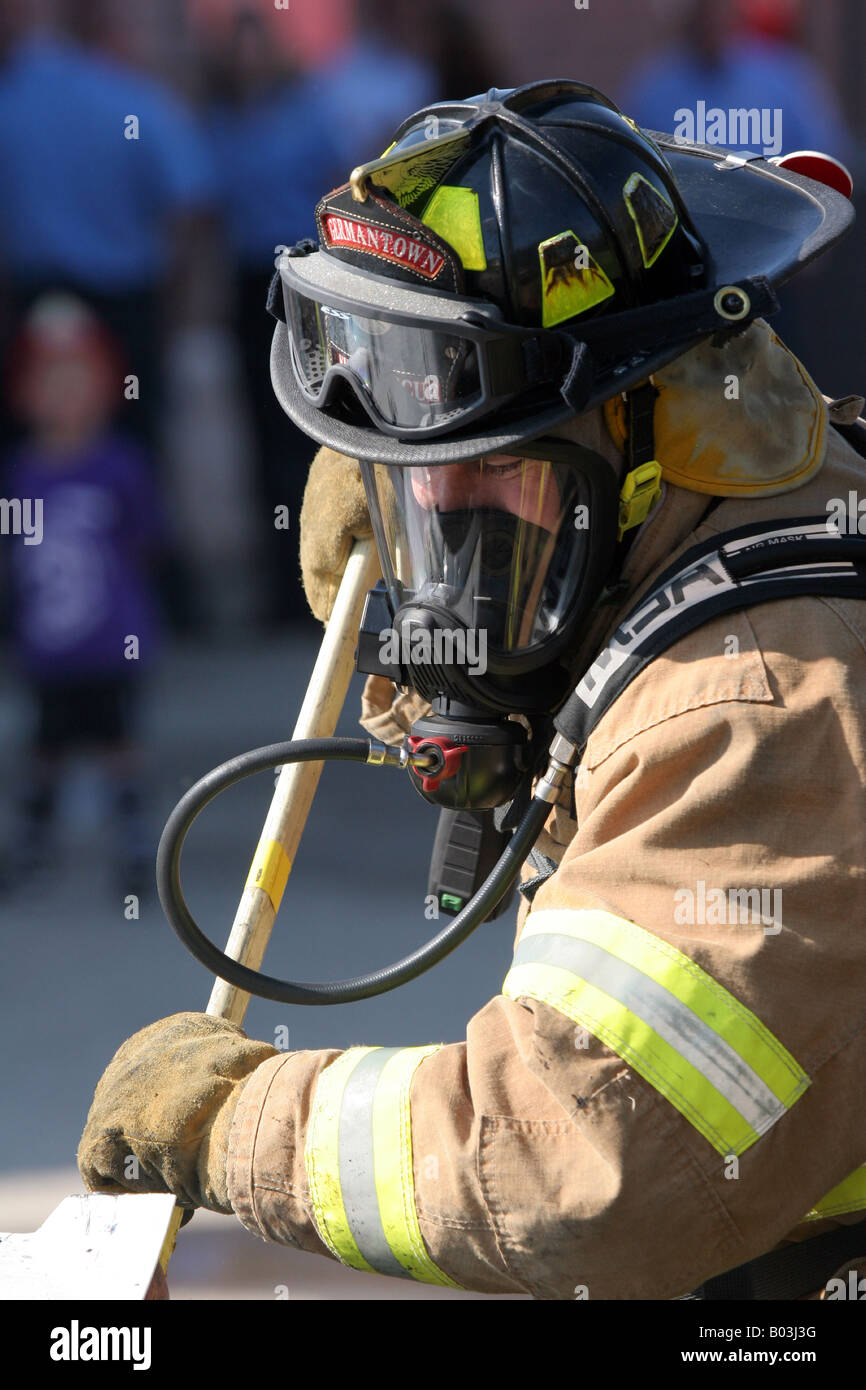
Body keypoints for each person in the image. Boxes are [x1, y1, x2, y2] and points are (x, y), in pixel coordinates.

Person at [78, 82, 866, 1300]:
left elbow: (577, 1165)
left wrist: (228, 1125)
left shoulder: (755, 702)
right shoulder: (736, 535)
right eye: (405, 489)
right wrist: (432, 608)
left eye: (487, 472)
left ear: (661, 430)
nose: (434, 548)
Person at [2, 295, 163, 899]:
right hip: (48, 643)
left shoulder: (121, 466)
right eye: (52, 384)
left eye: (80, 382)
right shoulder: (22, 472)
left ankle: (133, 843)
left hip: (111, 640)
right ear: (27, 394)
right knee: (46, 743)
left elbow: (147, 543)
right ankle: (34, 842)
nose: (67, 398)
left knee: (118, 739)